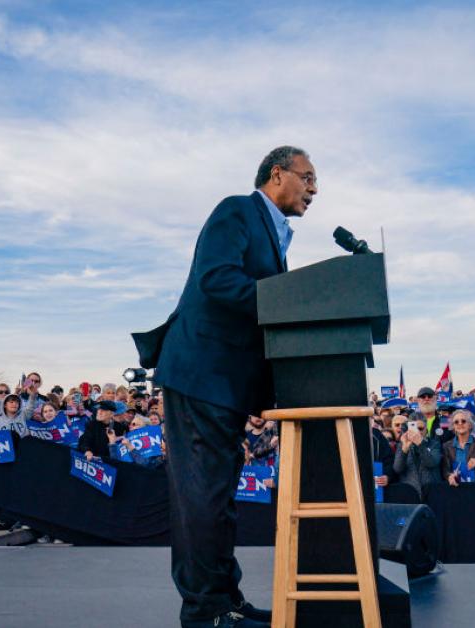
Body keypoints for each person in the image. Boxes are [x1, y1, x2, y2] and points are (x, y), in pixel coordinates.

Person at [135, 146, 316, 627]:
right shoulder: (236, 210)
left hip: (224, 384)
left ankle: (226, 601)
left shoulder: (274, 233)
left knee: (217, 497)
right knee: (202, 498)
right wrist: (291, 303)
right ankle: (206, 611)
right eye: (307, 177)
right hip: (201, 374)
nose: (314, 189)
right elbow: (217, 279)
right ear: (277, 174)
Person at [393, 411, 443, 498]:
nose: (417, 432)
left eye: (420, 429)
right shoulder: (402, 444)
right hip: (409, 493)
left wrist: (420, 444)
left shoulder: (434, 444)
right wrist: (404, 449)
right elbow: (397, 469)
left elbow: (431, 463)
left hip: (432, 492)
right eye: (414, 429)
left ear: (426, 430)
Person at [442, 409, 475, 485]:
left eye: (463, 421)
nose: (460, 423)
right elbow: (445, 471)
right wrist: (449, 476)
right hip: (455, 487)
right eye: (456, 422)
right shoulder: (446, 446)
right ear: (453, 426)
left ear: (470, 424)